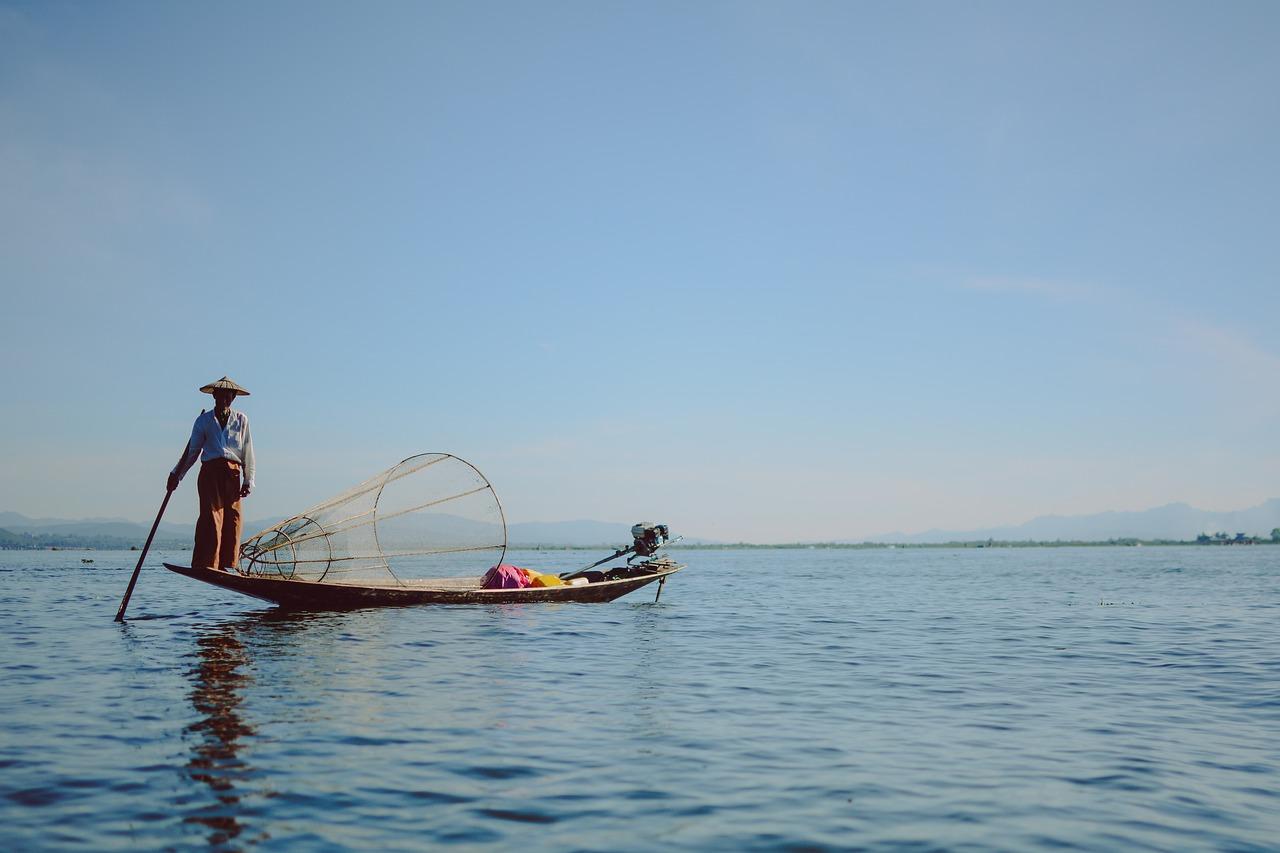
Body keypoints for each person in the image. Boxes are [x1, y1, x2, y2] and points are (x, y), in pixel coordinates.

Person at [168, 377, 256, 571]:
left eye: (228, 396)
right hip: (210, 473)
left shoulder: (241, 420)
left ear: (233, 398)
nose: (224, 399)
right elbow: (192, 452)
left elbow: (247, 451)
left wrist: (248, 480)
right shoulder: (204, 421)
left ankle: (227, 564)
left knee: (233, 519)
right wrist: (176, 474)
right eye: (221, 396)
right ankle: (206, 563)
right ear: (214, 396)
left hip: (233, 474)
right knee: (211, 517)